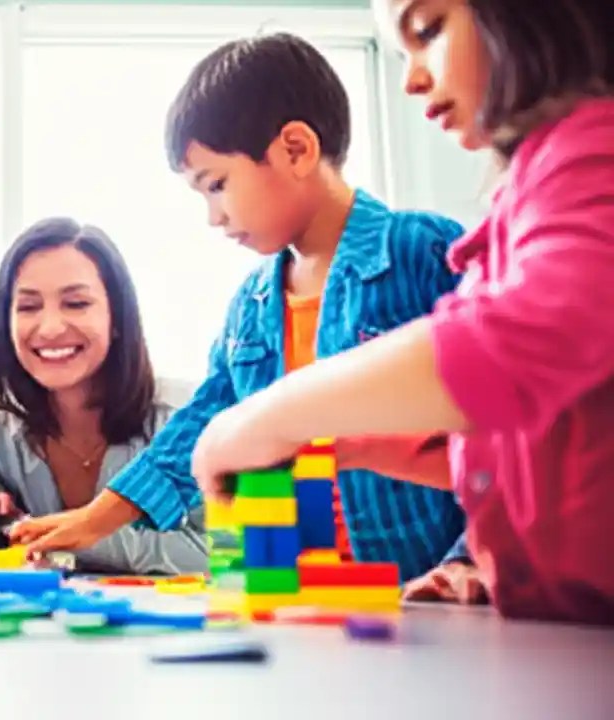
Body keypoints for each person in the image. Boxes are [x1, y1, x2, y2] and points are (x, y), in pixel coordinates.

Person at [186, 0, 614, 625]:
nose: (411, 78)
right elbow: (536, 445)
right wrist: (375, 451)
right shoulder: (525, 200)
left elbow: (519, 346)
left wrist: (265, 417)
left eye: (429, 30)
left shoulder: (589, 150)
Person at [12, 32, 469, 584]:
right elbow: (204, 427)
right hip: (284, 590)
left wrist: (467, 560)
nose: (213, 216)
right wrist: (97, 518)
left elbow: (507, 434)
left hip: (417, 587)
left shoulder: (423, 253)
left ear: (296, 149)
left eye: (217, 185)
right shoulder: (252, 307)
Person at [0, 218, 207, 575]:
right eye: (28, 307)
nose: (51, 327)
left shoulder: (184, 420)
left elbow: (223, 552)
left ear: (117, 318)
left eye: (76, 303)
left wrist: (80, 535)